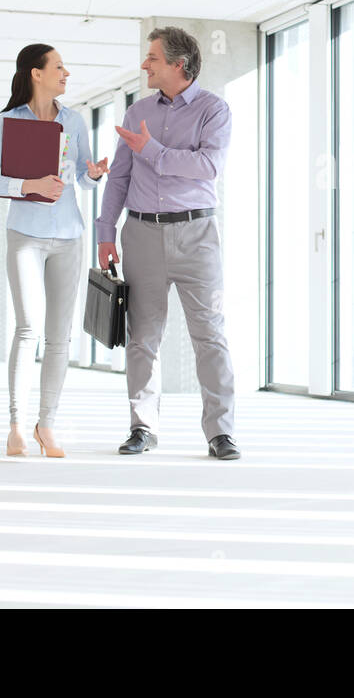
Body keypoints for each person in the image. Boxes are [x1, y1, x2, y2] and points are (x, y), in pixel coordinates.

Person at [96, 26, 239, 459]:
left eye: (152, 58)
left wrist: (152, 150)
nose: (145, 65)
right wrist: (105, 232)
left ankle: (221, 433)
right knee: (142, 337)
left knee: (210, 337)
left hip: (197, 236)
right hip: (140, 233)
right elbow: (119, 176)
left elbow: (208, 166)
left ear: (179, 64)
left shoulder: (214, 110)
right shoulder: (137, 109)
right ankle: (143, 427)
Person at [0, 43, 109, 458]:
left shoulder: (75, 120)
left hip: (70, 236)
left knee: (59, 338)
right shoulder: (8, 122)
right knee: (28, 327)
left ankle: (46, 424)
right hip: (26, 236)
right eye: (59, 67)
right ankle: (16, 424)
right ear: (36, 73)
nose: (66, 74)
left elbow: (83, 181)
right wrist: (29, 186)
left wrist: (93, 174)